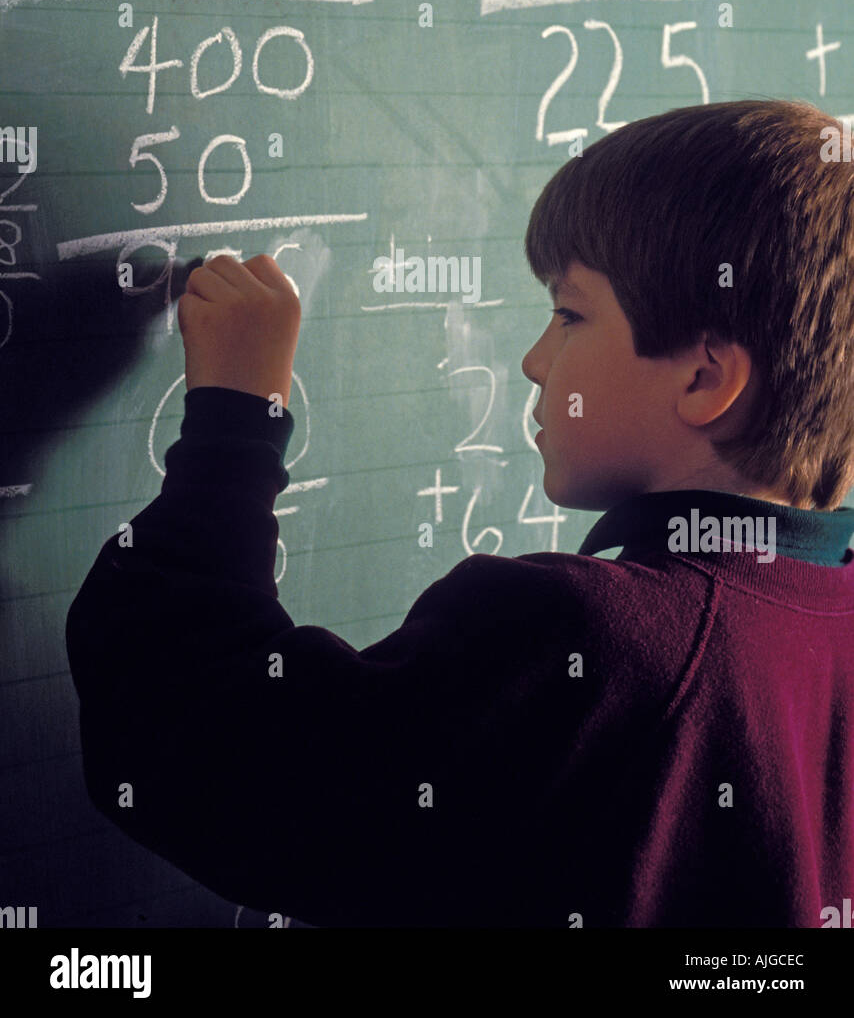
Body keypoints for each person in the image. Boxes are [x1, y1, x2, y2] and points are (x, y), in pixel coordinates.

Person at [66, 97, 854, 928]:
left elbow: (206, 753)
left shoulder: (589, 640)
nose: (535, 360)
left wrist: (235, 425)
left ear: (704, 378)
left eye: (570, 314)